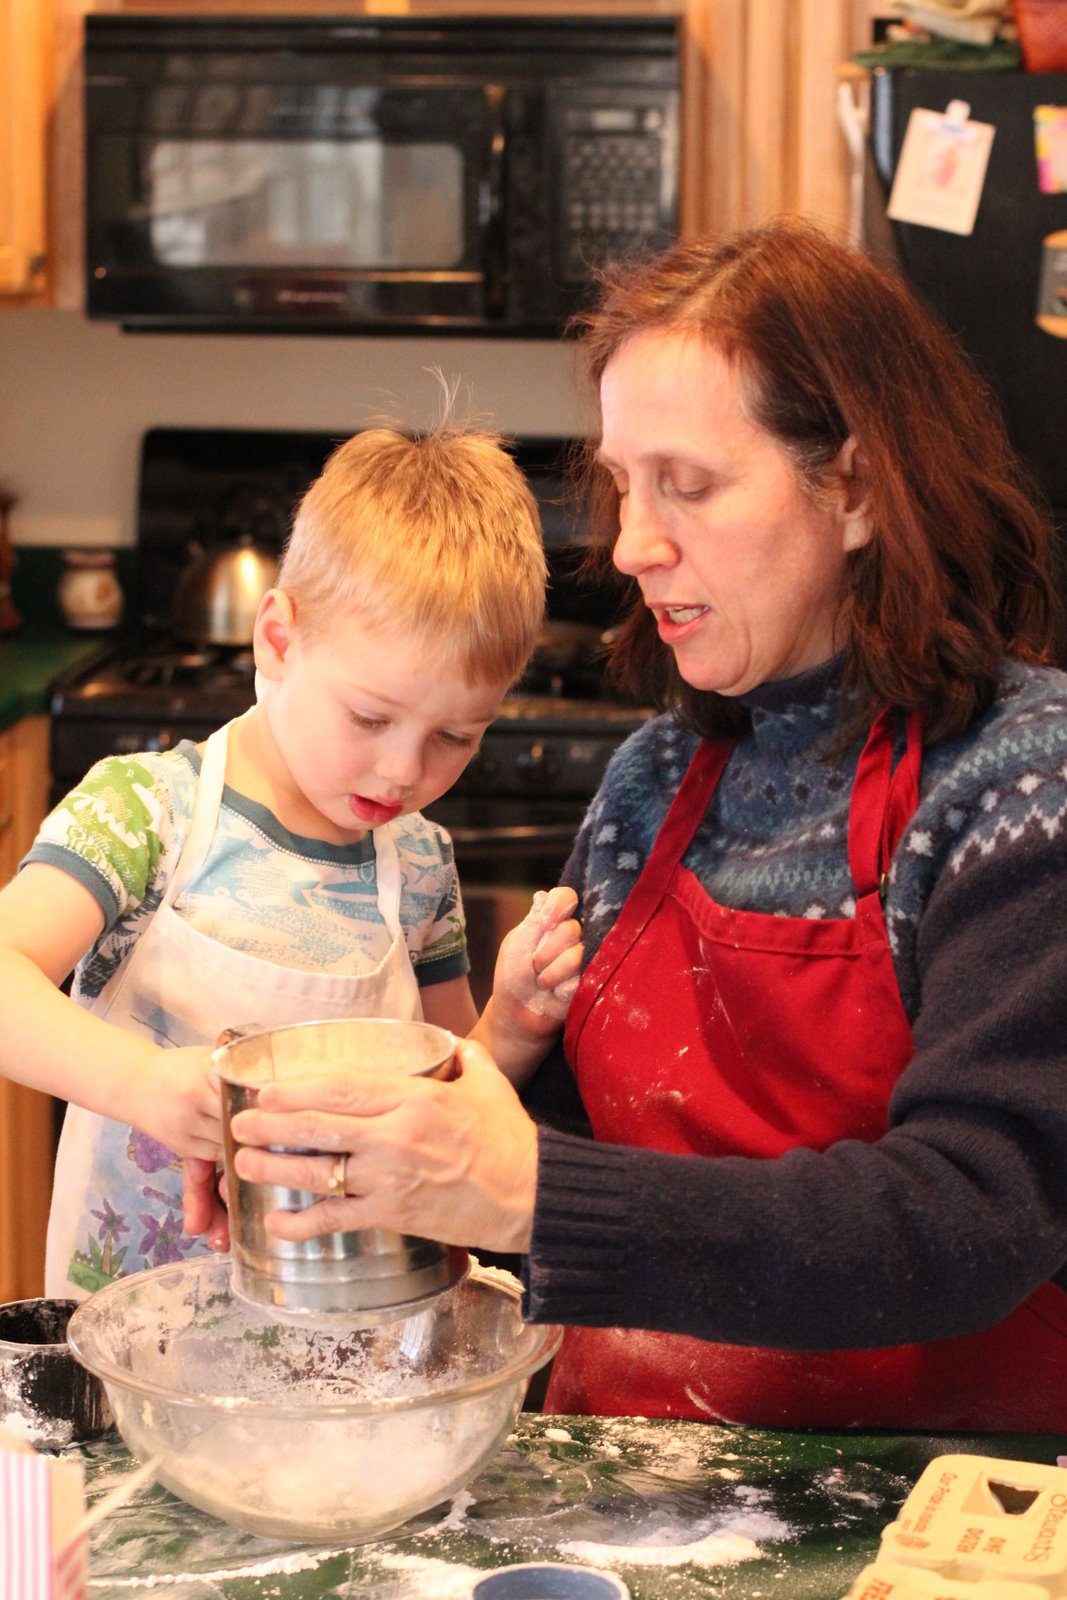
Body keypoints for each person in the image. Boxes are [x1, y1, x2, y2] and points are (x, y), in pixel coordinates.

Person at [219, 218, 1067, 1432]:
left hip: (932, 1512)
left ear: (860, 485)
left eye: (692, 484)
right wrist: (331, 1171)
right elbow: (540, 1137)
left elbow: (977, 1215)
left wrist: (526, 1189)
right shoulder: (648, 786)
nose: (629, 543)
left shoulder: (1017, 782)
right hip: (620, 1483)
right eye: (624, 483)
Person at [0, 420, 581, 1301]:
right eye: (371, 718)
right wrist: (148, 1083)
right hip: (138, 1338)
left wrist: (513, 1023)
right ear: (278, 640)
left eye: (454, 736)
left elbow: (448, 1096)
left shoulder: (419, 865)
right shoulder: (148, 812)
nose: (405, 770)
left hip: (345, 1337)